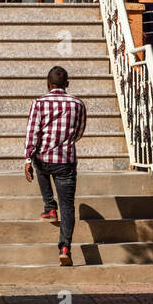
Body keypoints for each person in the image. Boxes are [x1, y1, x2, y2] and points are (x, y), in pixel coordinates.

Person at [24, 65, 87, 266]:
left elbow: (33, 132)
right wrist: (66, 143)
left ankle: (50, 207)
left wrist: (27, 158)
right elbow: (79, 132)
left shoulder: (39, 103)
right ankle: (65, 247)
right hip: (66, 160)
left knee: (38, 161)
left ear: (47, 84)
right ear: (67, 84)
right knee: (68, 206)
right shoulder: (78, 104)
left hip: (44, 159)